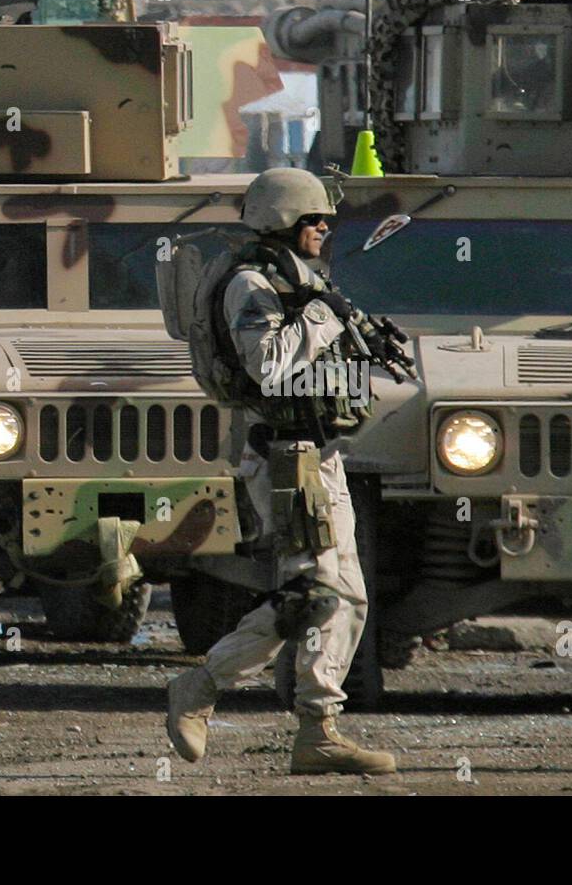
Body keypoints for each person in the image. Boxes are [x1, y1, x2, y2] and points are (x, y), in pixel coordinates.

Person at [166, 167, 397, 775]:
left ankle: (319, 729)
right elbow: (268, 367)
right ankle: (202, 687)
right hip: (284, 459)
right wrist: (324, 318)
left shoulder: (299, 279)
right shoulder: (250, 283)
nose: (324, 228)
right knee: (314, 593)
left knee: (346, 597)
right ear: (283, 220)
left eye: (326, 219)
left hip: (324, 455)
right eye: (314, 218)